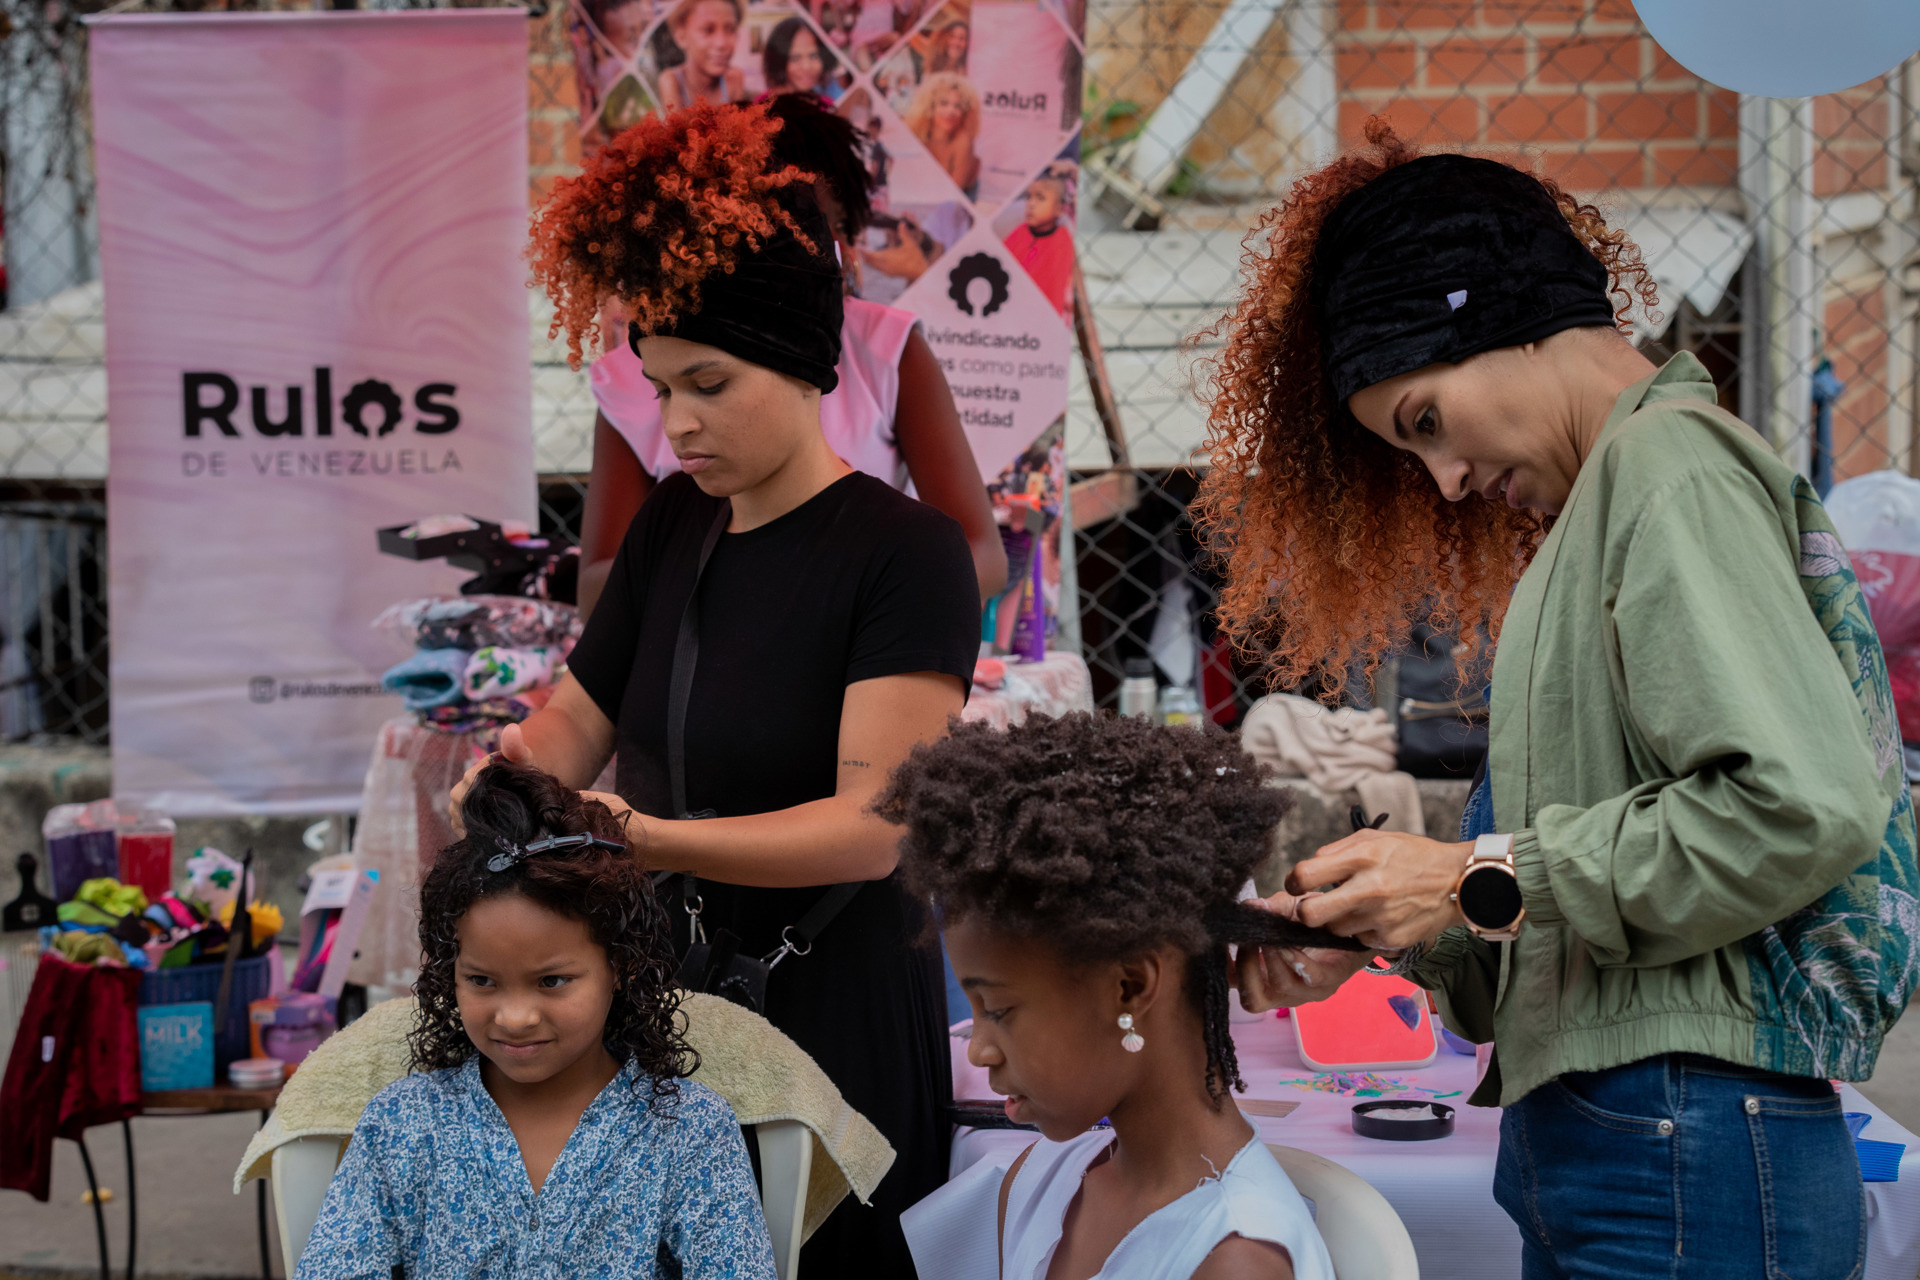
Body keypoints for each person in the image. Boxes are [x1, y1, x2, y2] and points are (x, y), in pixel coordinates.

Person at [1210, 119, 1916, 1279]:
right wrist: (1396, 930)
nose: (1441, 480)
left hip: (1684, 1146)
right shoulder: (1600, 513)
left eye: (1426, 421)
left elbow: (1801, 804)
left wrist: (1470, 873)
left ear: (1499, 313)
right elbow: (1562, 908)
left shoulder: (1666, 468)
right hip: (1638, 1140)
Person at [490, 101, 982, 1279]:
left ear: (804, 367)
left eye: (707, 382)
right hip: (678, 1006)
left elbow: (876, 828)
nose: (679, 422)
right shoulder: (675, 523)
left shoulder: (902, 553)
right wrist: (515, 773)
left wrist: (649, 838)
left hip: (835, 1027)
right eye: (661, 388)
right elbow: (580, 710)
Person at [881, 713, 1338, 1280]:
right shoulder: (1035, 1183)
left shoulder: (1234, 1261)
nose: (979, 1051)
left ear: (1132, 986)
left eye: (997, 1011)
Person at [297, 760, 775, 1280]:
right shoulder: (401, 1126)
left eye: (552, 981)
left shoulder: (690, 1131)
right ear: (449, 971)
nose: (516, 1017)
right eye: (482, 981)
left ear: (619, 967)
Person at [578, 93, 1006, 614]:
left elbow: (981, 555)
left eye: (819, 233)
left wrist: (847, 602)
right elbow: (597, 586)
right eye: (666, 390)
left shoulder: (887, 351)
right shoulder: (631, 376)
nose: (679, 422)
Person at [1002, 170, 1073, 318]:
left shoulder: (1063, 239)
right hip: (1012, 309)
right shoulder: (1019, 233)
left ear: (1059, 208)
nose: (1031, 204)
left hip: (1045, 314)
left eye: (1040, 198)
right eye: (1029, 197)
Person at [657, 0, 746, 108]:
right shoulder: (672, 82)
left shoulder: (734, 78)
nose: (721, 43)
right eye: (707, 30)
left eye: (730, 29)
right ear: (681, 37)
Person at [905, 72, 980, 199]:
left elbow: (953, 193)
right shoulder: (917, 136)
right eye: (944, 103)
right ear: (930, 106)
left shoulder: (963, 141)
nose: (951, 111)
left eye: (958, 106)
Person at [762, 16, 829, 97]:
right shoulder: (762, 107)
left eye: (813, 56)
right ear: (778, 61)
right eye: (795, 58)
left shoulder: (826, 105)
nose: (806, 67)